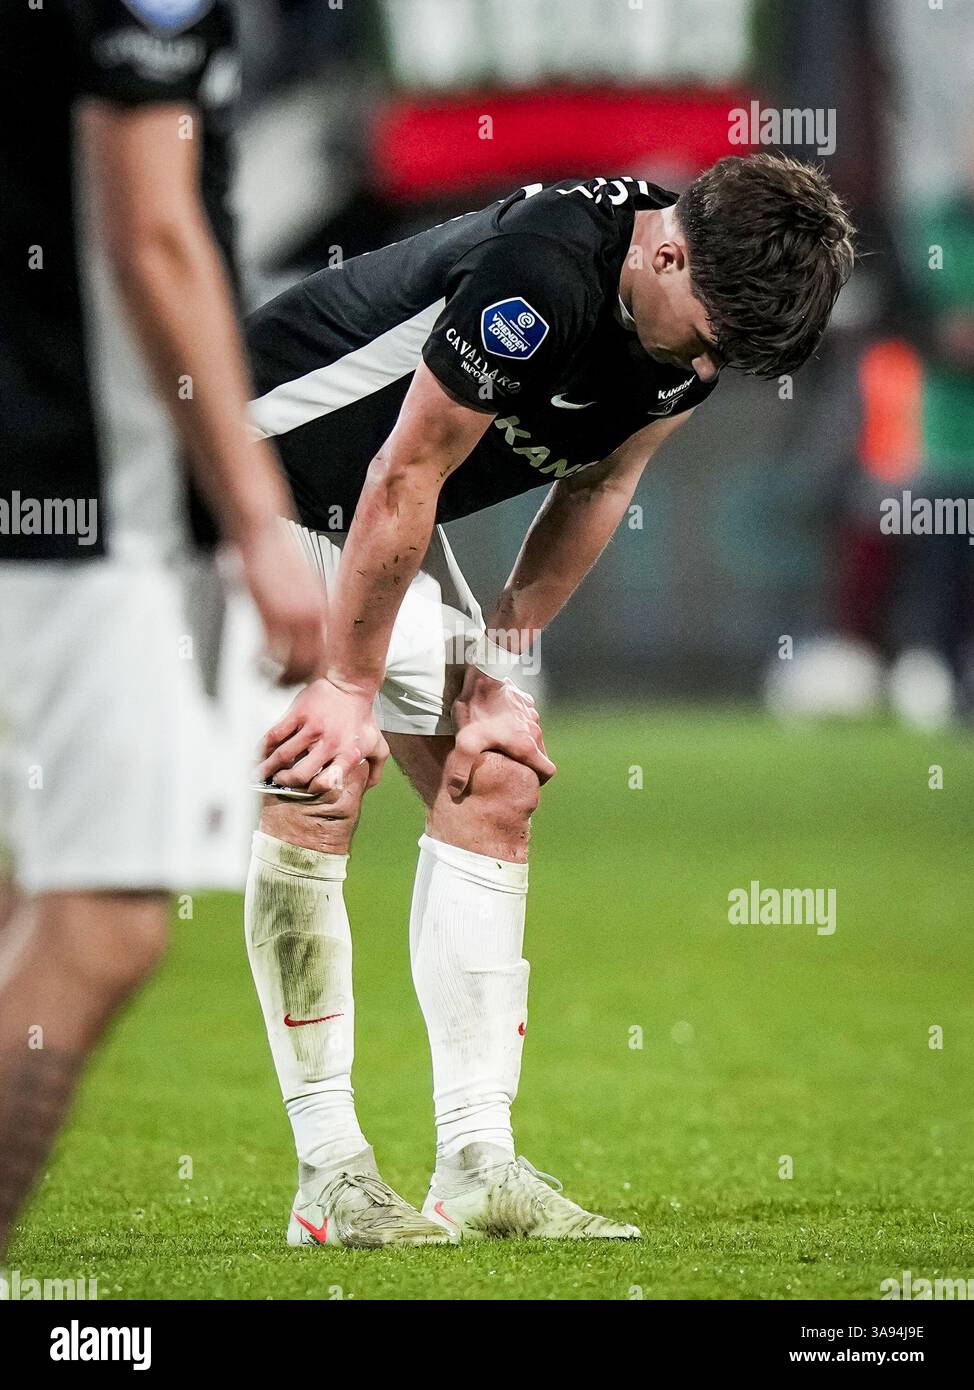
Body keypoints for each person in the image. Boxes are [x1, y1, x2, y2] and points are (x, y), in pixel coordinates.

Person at [244, 156, 855, 1246]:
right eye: (707, 336)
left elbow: (598, 483)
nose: (705, 367)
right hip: (251, 481)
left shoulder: (694, 330)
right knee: (322, 767)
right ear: (665, 250)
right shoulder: (540, 275)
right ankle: (326, 1171)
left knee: (497, 773)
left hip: (375, 516)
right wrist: (344, 687)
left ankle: (476, 1164)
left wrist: (498, 657)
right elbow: (403, 476)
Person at [0, 0, 326, 1258]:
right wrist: (256, 518)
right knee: (108, 917)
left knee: (31, 890)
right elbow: (152, 234)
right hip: (76, 505)